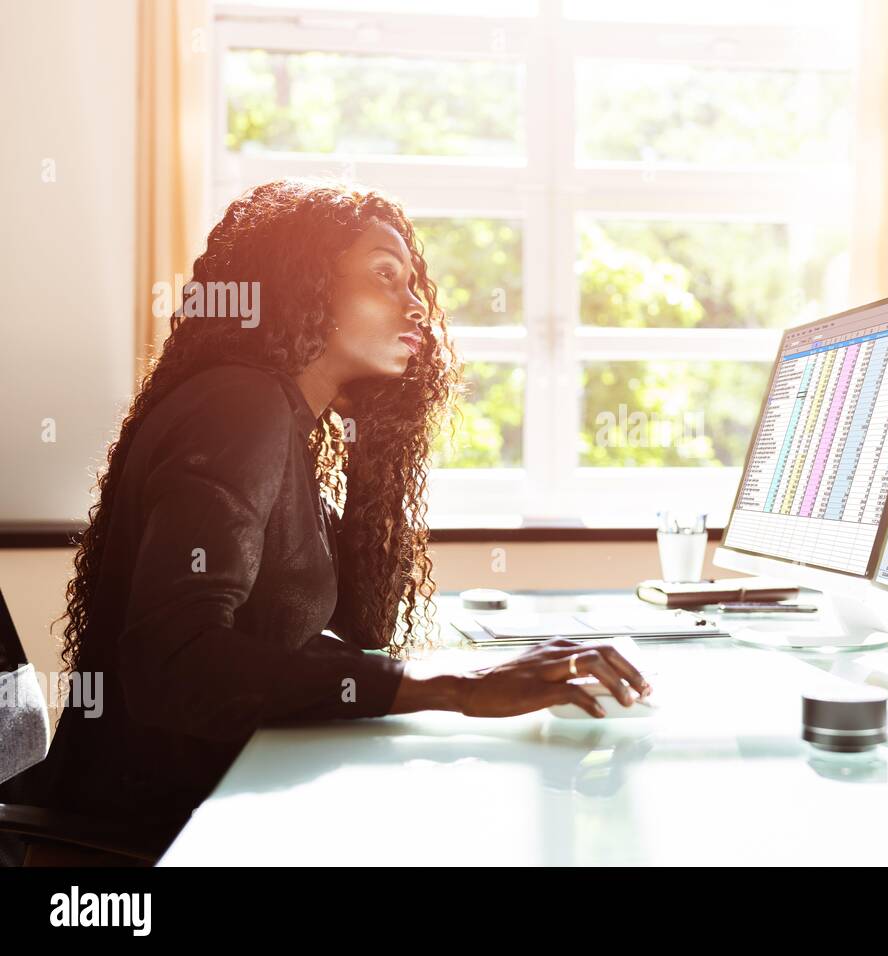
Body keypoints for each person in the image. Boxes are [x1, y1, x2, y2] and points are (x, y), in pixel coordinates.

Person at [0, 179, 649, 865]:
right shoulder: (237, 407)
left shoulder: (283, 421)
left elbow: (358, 629)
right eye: (384, 276)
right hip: (150, 838)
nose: (416, 305)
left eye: (412, 282)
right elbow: (175, 666)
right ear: (302, 283)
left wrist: (378, 450)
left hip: (212, 800)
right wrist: (459, 687)